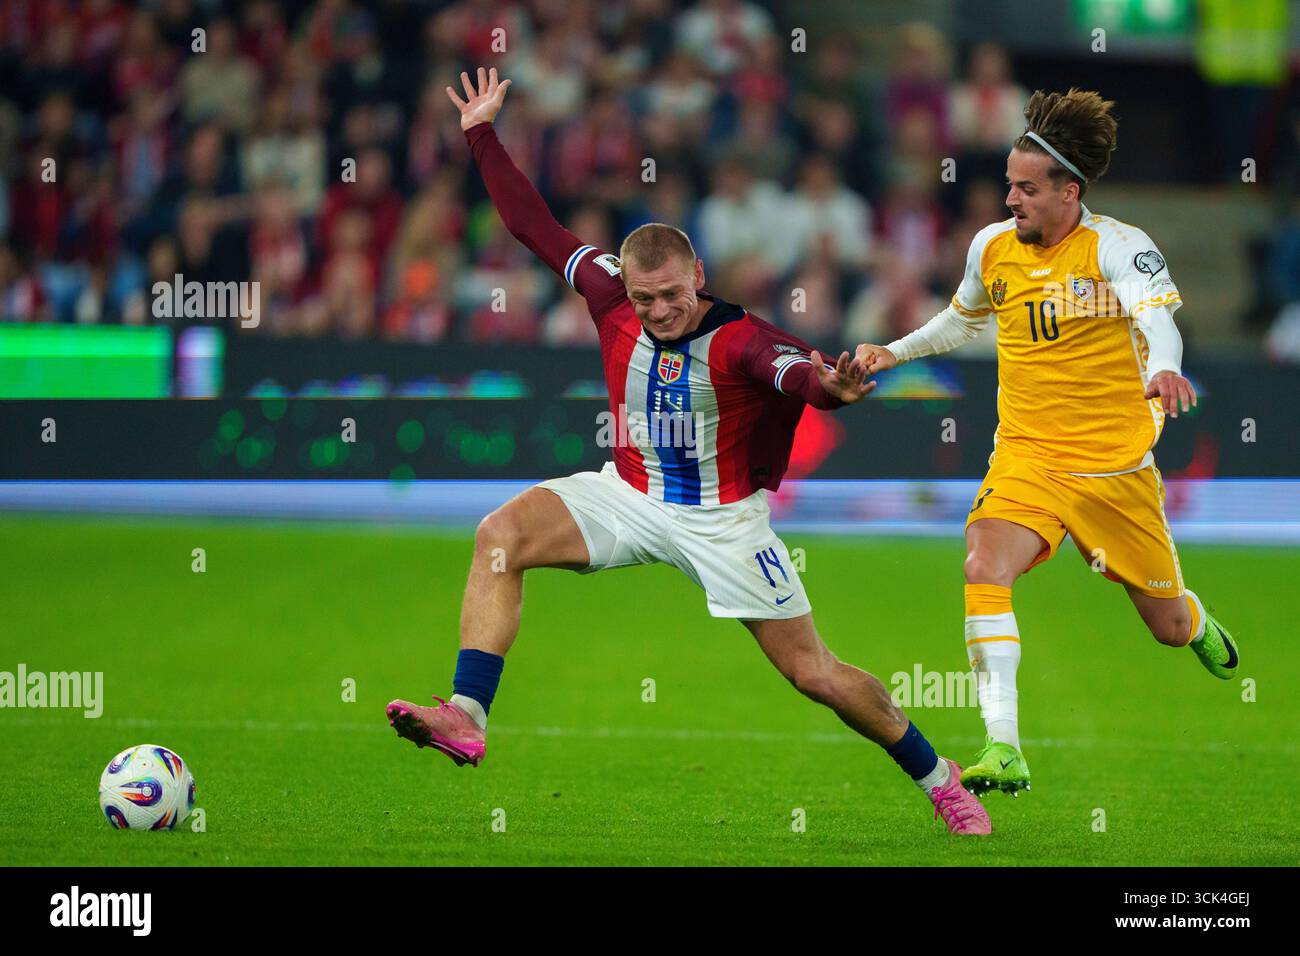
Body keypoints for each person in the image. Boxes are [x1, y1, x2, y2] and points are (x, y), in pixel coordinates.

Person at [386, 68, 991, 835]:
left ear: (697, 276)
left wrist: (833, 387)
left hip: (722, 521)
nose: (661, 311)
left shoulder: (739, 339)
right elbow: (531, 224)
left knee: (814, 672)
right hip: (629, 494)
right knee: (499, 536)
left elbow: (799, 375)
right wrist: (480, 133)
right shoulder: (607, 291)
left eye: (673, 294)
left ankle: (941, 780)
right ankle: (466, 715)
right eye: (645, 300)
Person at [855, 89, 1241, 796]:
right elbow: (961, 320)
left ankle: (1196, 619)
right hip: (1027, 455)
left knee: (1166, 625)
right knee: (982, 563)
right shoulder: (991, 248)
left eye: (1027, 188)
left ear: (1071, 191)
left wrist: (1163, 366)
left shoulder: (1119, 247)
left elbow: (1158, 318)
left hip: (1114, 469)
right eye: (1009, 185)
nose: (1011, 200)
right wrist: (894, 351)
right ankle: (1004, 746)